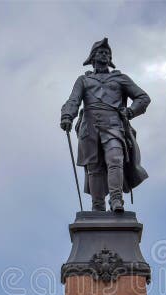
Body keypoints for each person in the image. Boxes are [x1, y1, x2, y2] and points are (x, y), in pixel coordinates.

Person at [60, 38, 150, 212]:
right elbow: (73, 100)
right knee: (94, 167)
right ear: (93, 57)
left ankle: (116, 200)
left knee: (115, 159)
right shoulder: (83, 81)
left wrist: (131, 111)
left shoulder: (120, 78)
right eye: (101, 52)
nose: (105, 54)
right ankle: (97, 205)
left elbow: (143, 97)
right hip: (89, 127)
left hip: (114, 124)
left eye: (107, 53)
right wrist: (67, 116)